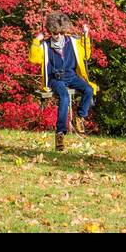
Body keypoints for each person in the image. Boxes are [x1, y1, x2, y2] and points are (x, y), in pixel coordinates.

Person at [29, 12, 96, 151]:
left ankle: (79, 118)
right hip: (55, 79)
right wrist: (36, 40)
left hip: (71, 76)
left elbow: (86, 55)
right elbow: (33, 59)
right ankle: (60, 133)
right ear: (50, 32)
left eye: (61, 33)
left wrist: (86, 36)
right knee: (64, 97)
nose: (58, 36)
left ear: (64, 31)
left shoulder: (73, 42)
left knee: (88, 89)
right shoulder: (45, 45)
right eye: (55, 33)